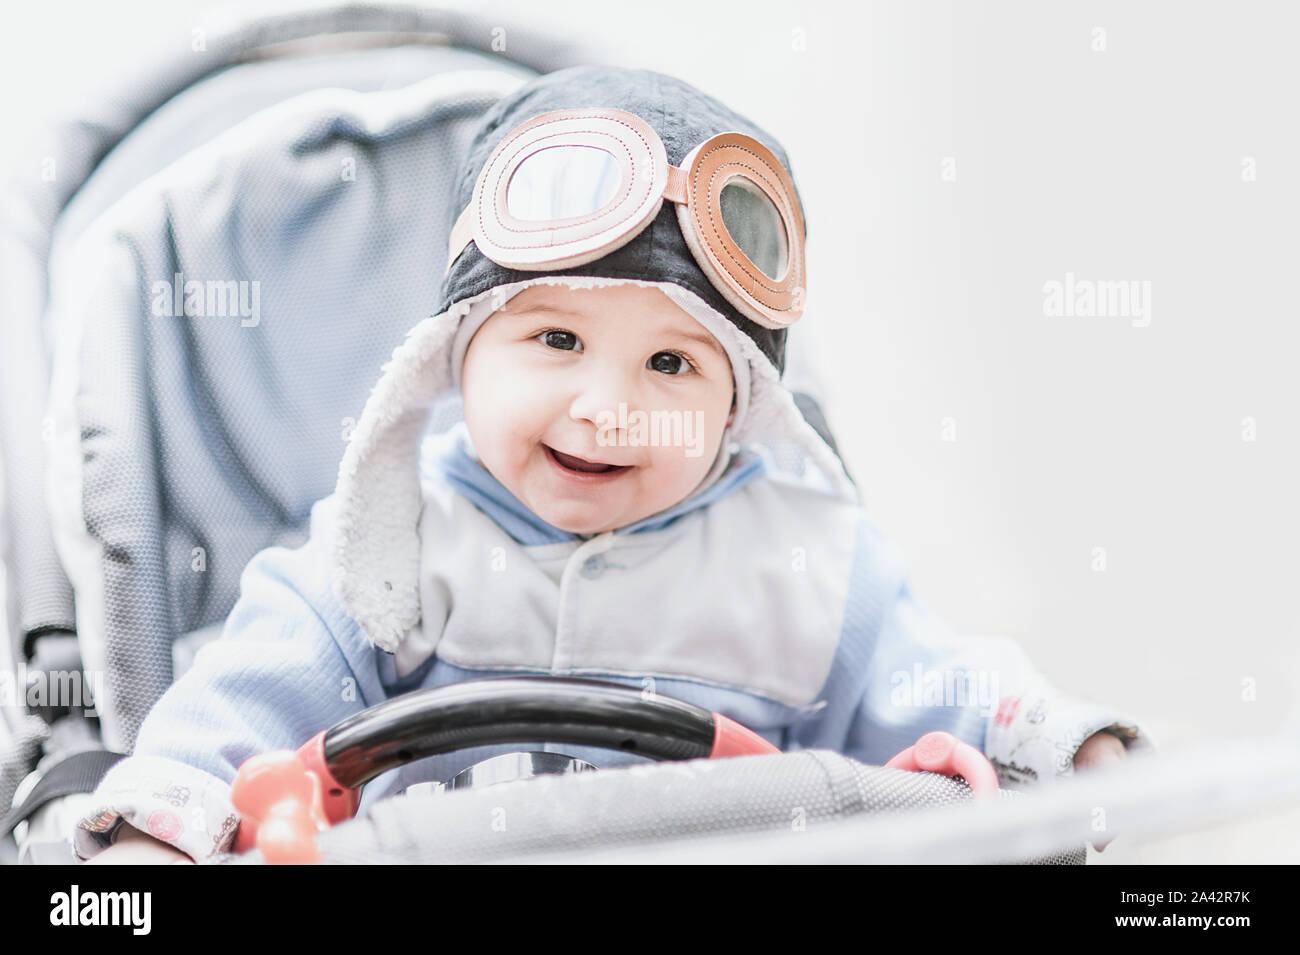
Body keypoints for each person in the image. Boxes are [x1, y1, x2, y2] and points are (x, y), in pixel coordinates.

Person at [76, 65, 1150, 865]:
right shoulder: (380, 556)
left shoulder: (806, 575)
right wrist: (155, 839)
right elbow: (223, 729)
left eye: (673, 362)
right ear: (454, 358)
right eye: (554, 341)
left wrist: (1075, 750)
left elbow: (953, 693)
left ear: (741, 411)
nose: (608, 408)